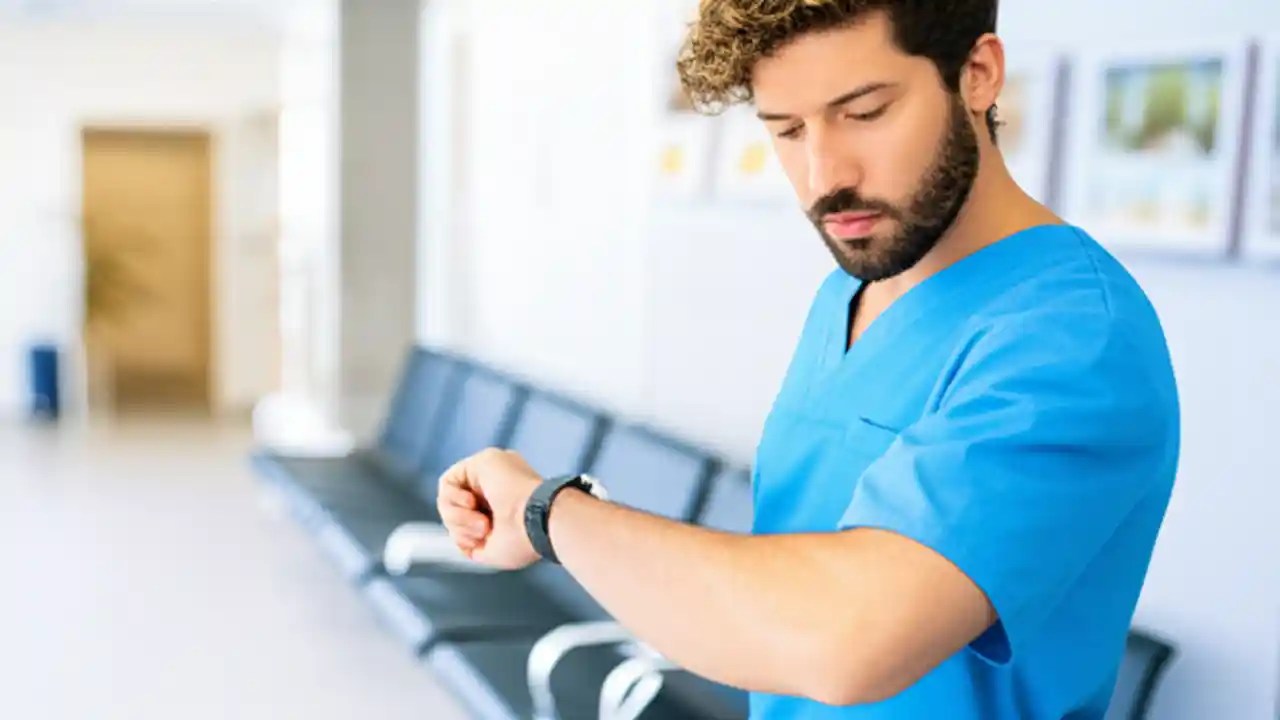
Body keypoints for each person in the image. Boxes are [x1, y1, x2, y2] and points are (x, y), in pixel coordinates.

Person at [435, 1, 1181, 718]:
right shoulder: (850, 290)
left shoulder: (1073, 333)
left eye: (864, 113)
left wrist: (550, 514)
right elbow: (778, 603)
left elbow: (845, 638)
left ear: (978, 73)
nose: (825, 177)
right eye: (787, 129)